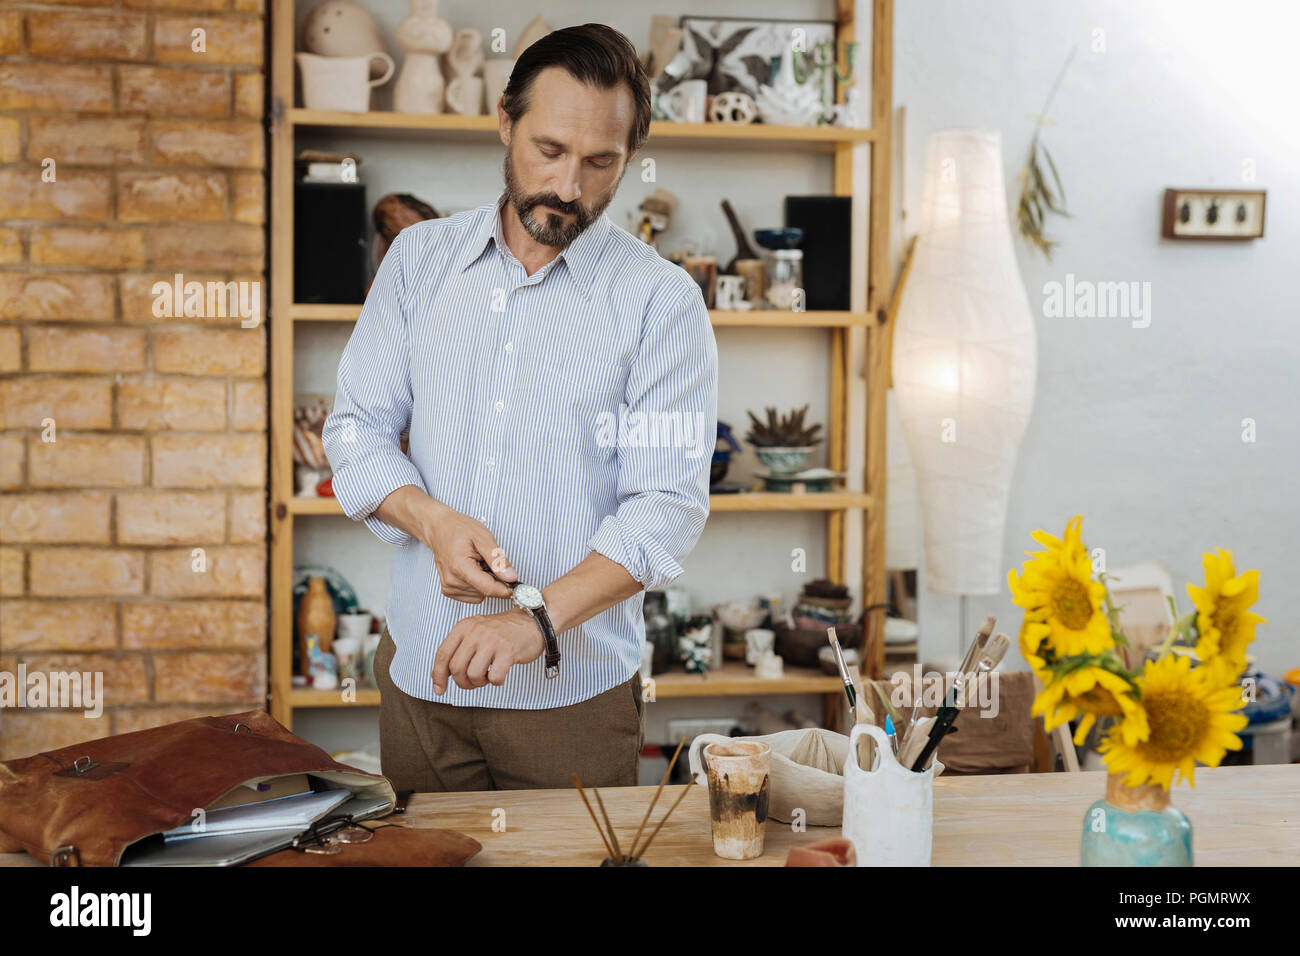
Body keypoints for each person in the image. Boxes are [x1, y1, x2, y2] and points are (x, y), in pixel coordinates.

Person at [322, 23, 718, 793]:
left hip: (574, 699)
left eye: (601, 162)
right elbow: (355, 430)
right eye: (549, 150)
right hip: (419, 682)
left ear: (628, 157)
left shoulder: (662, 303)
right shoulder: (417, 262)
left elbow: (666, 504)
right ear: (505, 122)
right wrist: (432, 523)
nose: (569, 188)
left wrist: (532, 621)